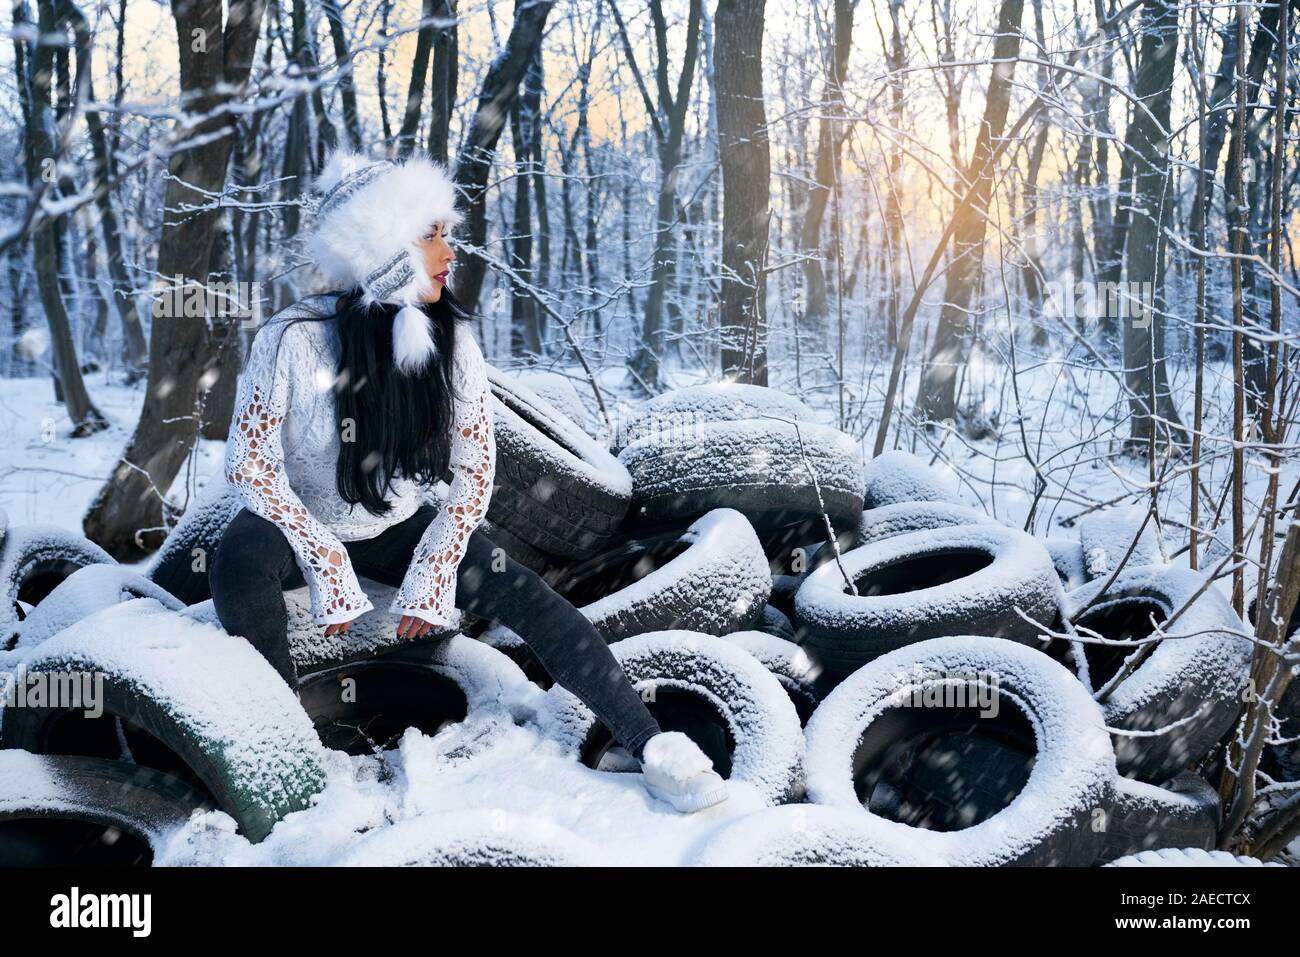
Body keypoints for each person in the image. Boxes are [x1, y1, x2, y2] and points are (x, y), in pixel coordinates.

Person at [208, 150, 727, 814]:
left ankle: (655, 745)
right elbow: (250, 464)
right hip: (295, 518)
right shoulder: (292, 339)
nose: (448, 251)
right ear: (382, 249)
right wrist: (326, 560)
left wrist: (435, 561)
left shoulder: (450, 340)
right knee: (237, 560)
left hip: (392, 523)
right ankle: (288, 756)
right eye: (429, 235)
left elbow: (476, 465)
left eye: (445, 233)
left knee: (532, 597)